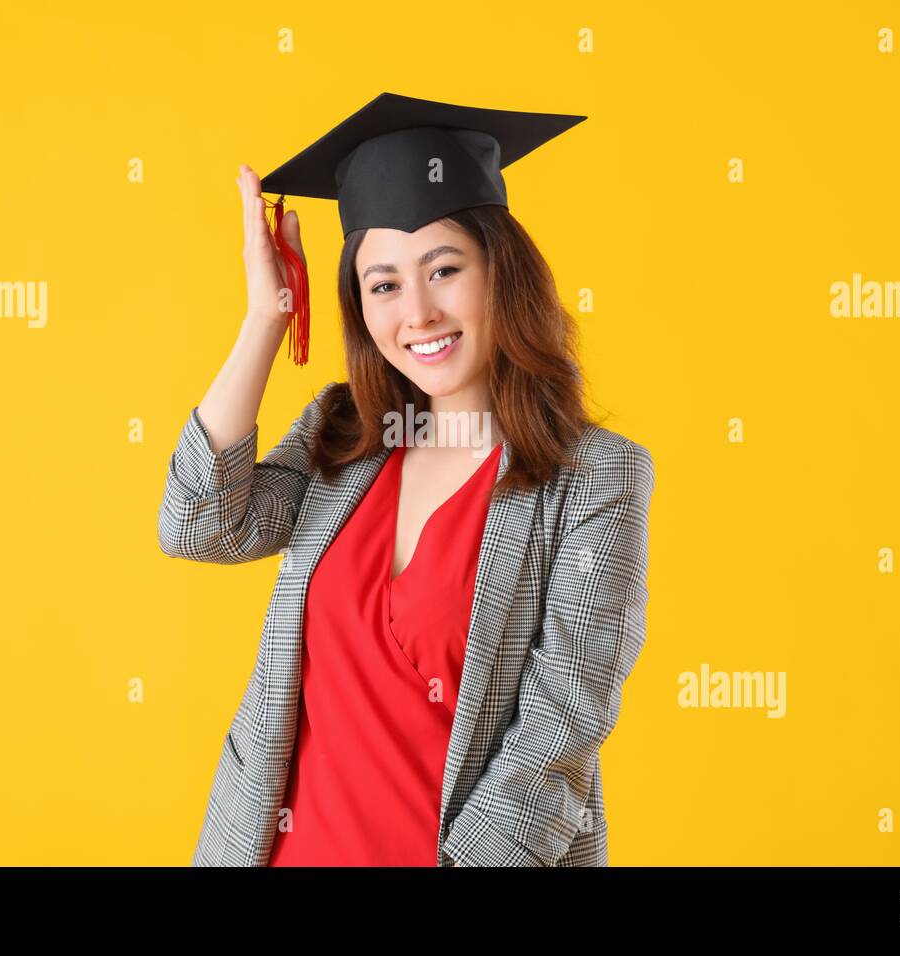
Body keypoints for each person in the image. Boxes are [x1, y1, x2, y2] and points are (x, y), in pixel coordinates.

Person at [157, 92, 655, 866]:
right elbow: (198, 524)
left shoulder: (594, 480)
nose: (417, 312)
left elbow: (559, 733)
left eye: (444, 270)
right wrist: (266, 316)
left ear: (503, 274)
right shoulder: (344, 435)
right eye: (383, 284)